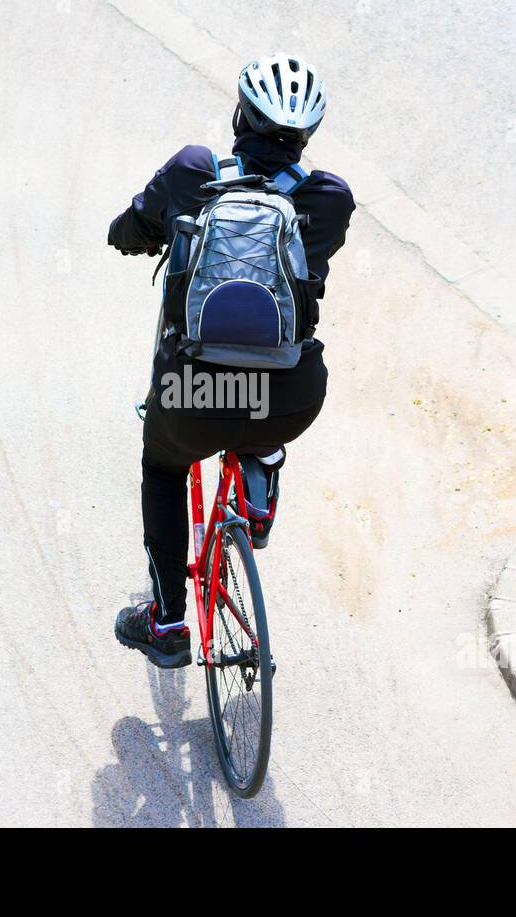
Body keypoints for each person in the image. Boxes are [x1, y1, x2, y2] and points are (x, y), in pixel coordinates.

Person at [108, 53, 355, 668]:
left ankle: (166, 624)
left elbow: (134, 226)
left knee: (164, 470)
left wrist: (129, 235)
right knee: (264, 408)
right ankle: (259, 480)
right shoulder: (329, 198)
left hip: (193, 394)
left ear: (239, 114)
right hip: (290, 397)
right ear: (306, 136)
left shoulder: (195, 170)